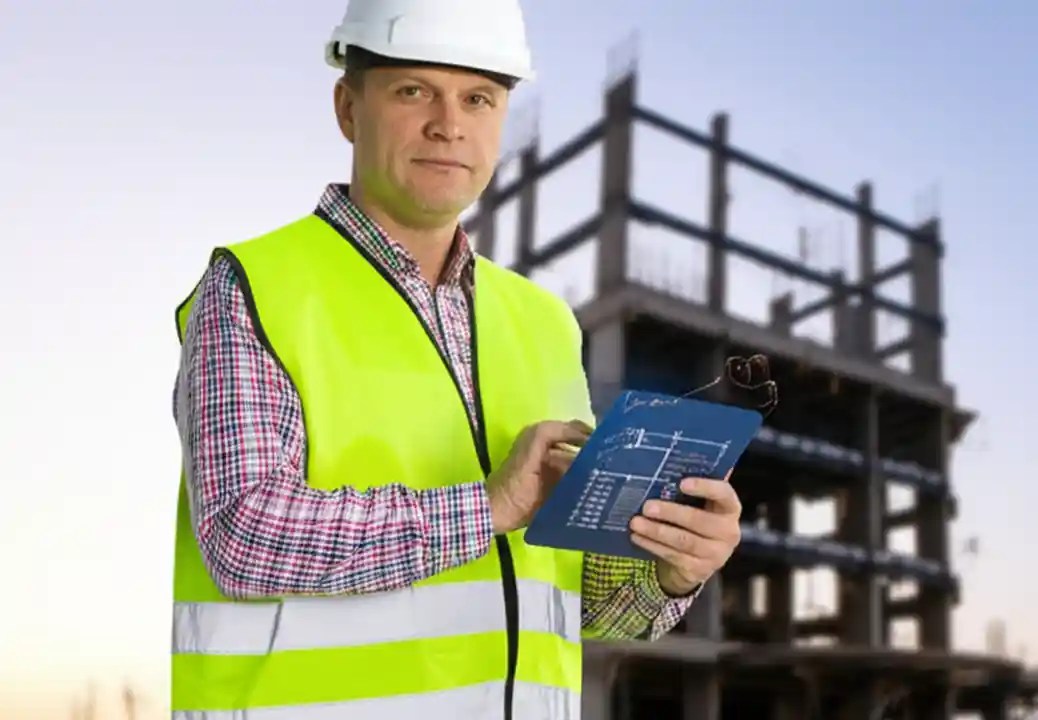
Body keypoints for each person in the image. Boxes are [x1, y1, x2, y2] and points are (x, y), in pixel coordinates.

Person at [168, 0, 744, 718]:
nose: (450, 123)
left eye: (478, 97)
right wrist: (488, 506)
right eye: (413, 90)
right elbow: (243, 534)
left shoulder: (544, 321)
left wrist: (671, 569)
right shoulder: (257, 286)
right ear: (349, 107)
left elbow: (577, 601)